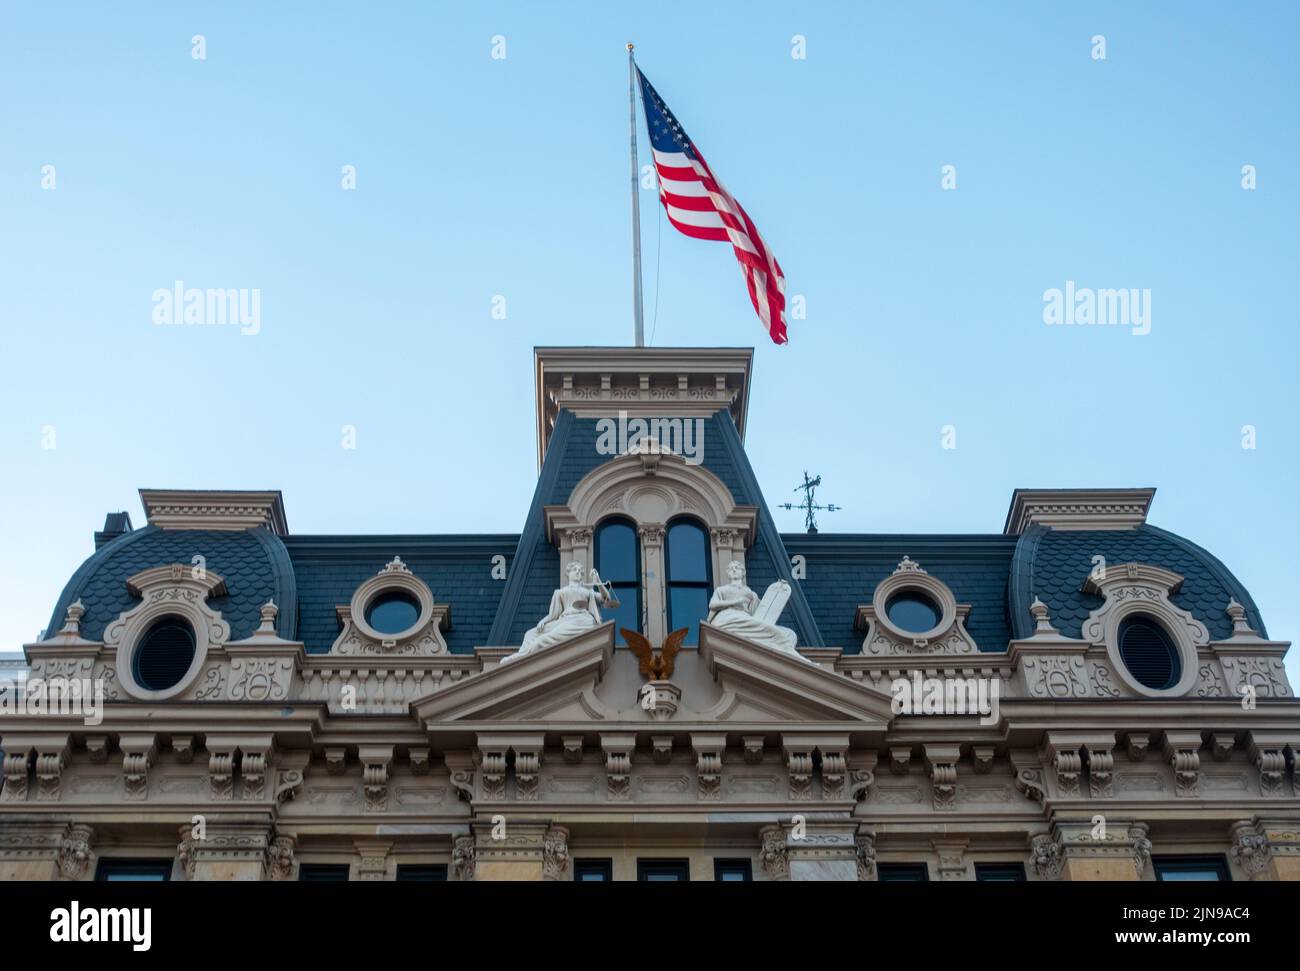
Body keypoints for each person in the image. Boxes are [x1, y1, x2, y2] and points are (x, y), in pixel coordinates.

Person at [504, 561, 608, 663]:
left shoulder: (587, 592)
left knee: (541, 641)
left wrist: (598, 580)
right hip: (564, 620)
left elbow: (606, 598)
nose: (578, 572)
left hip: (581, 621)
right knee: (530, 634)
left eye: (580, 571)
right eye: (575, 570)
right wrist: (543, 621)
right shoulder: (560, 593)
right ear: (568, 573)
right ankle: (520, 657)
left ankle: (517, 660)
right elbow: (553, 614)